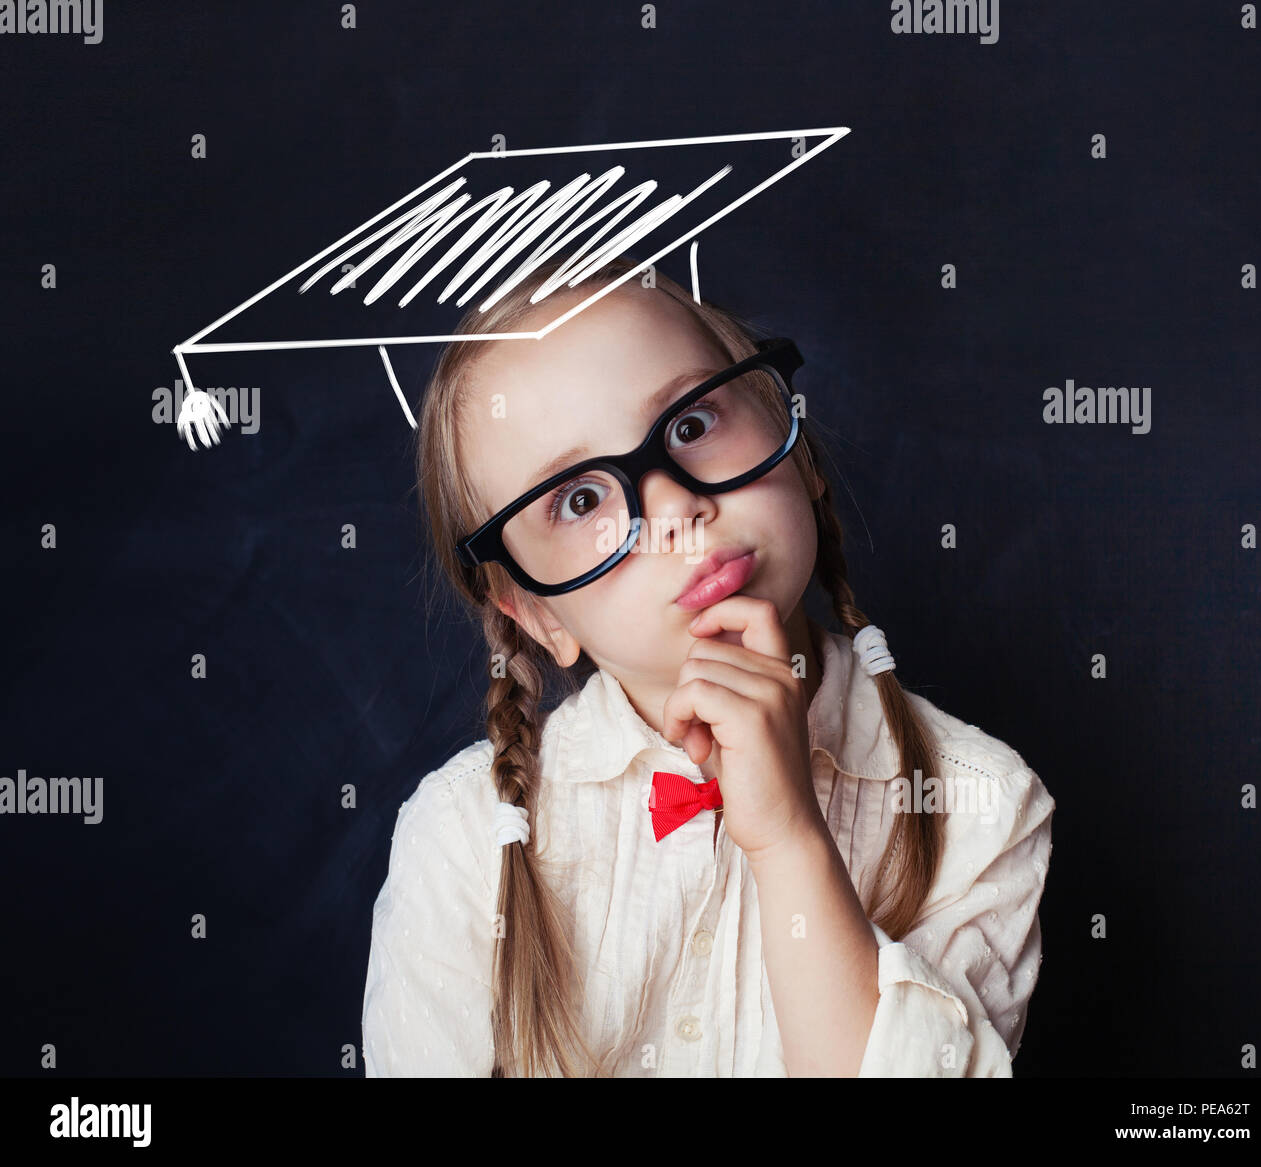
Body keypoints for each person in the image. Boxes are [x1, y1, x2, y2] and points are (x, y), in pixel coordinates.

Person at [361, 254, 1055, 1077]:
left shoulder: (983, 803)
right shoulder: (460, 840)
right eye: (580, 500)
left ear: (794, 444)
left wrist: (792, 839)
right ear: (536, 612)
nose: (676, 509)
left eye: (691, 424)